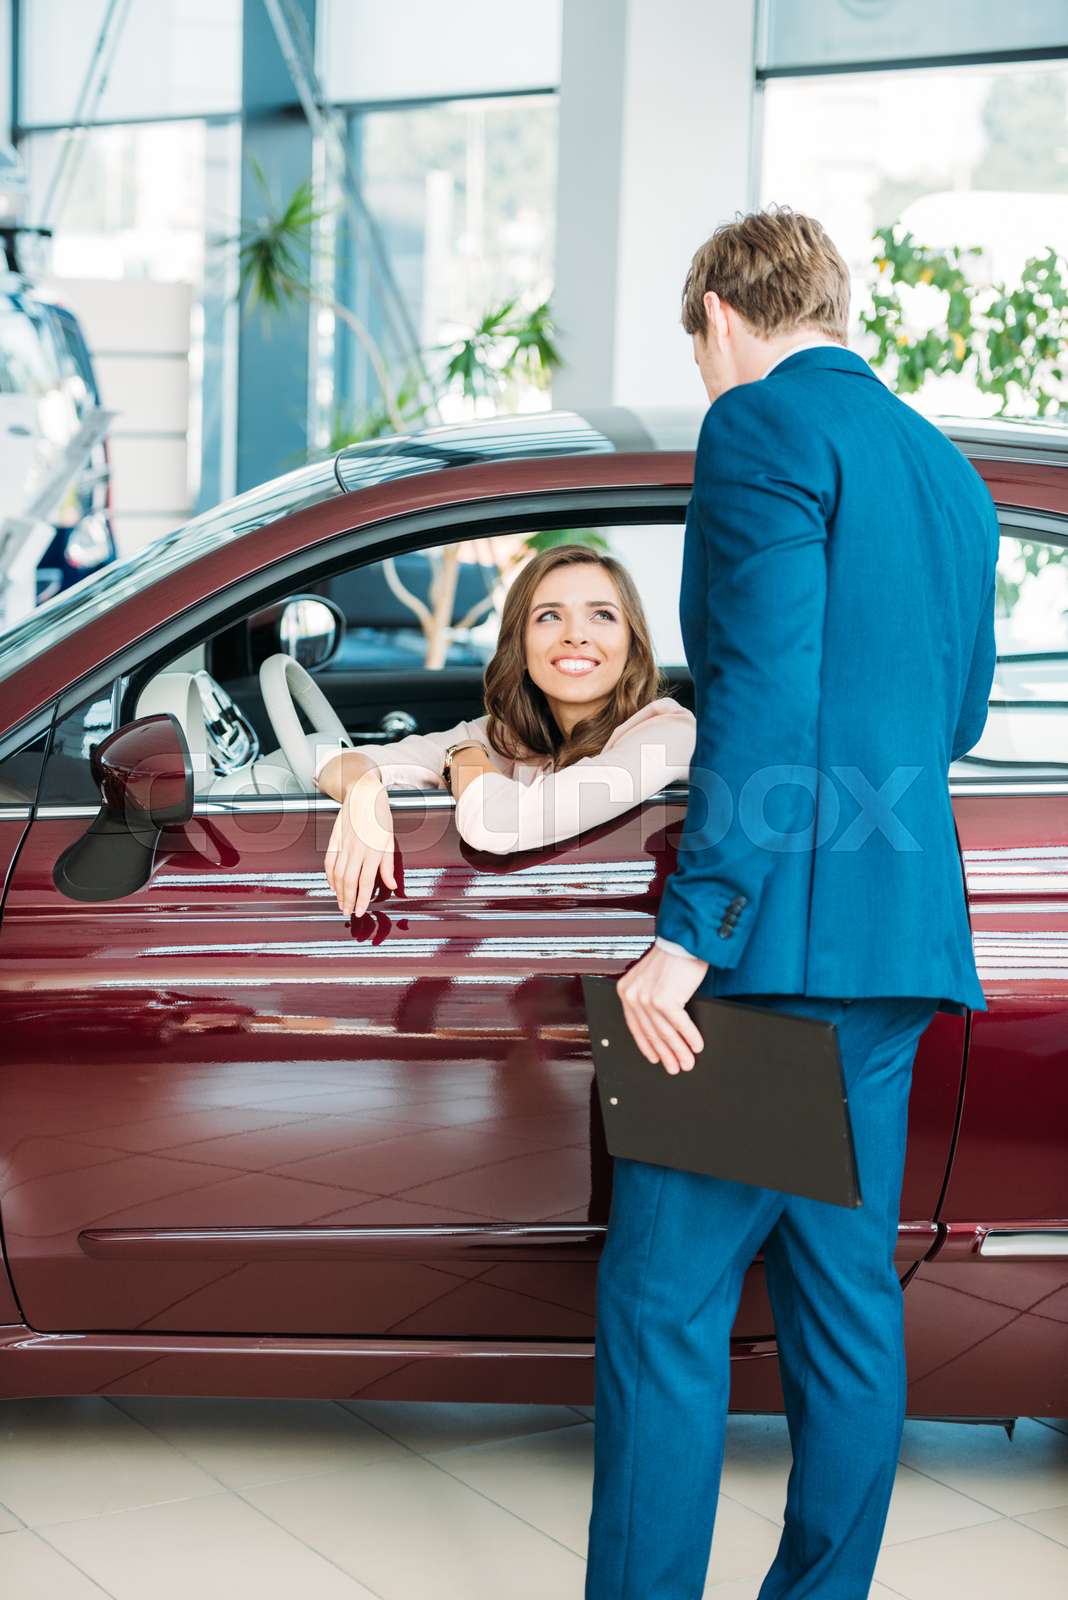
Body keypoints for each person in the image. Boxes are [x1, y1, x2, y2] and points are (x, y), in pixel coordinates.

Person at [585, 207, 999, 1598]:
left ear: (718, 313)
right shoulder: (948, 472)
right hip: (898, 943)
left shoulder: (760, 428)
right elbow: (954, 715)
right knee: (842, 1309)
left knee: (663, 1309)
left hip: (774, 961)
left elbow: (760, 700)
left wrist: (692, 933)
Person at [314, 543, 696, 914]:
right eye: (549, 616)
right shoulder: (507, 738)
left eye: (602, 616)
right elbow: (335, 762)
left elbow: (496, 825)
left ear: (632, 643)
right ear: (521, 645)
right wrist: (364, 793)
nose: (576, 635)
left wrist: (462, 757)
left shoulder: (669, 735)